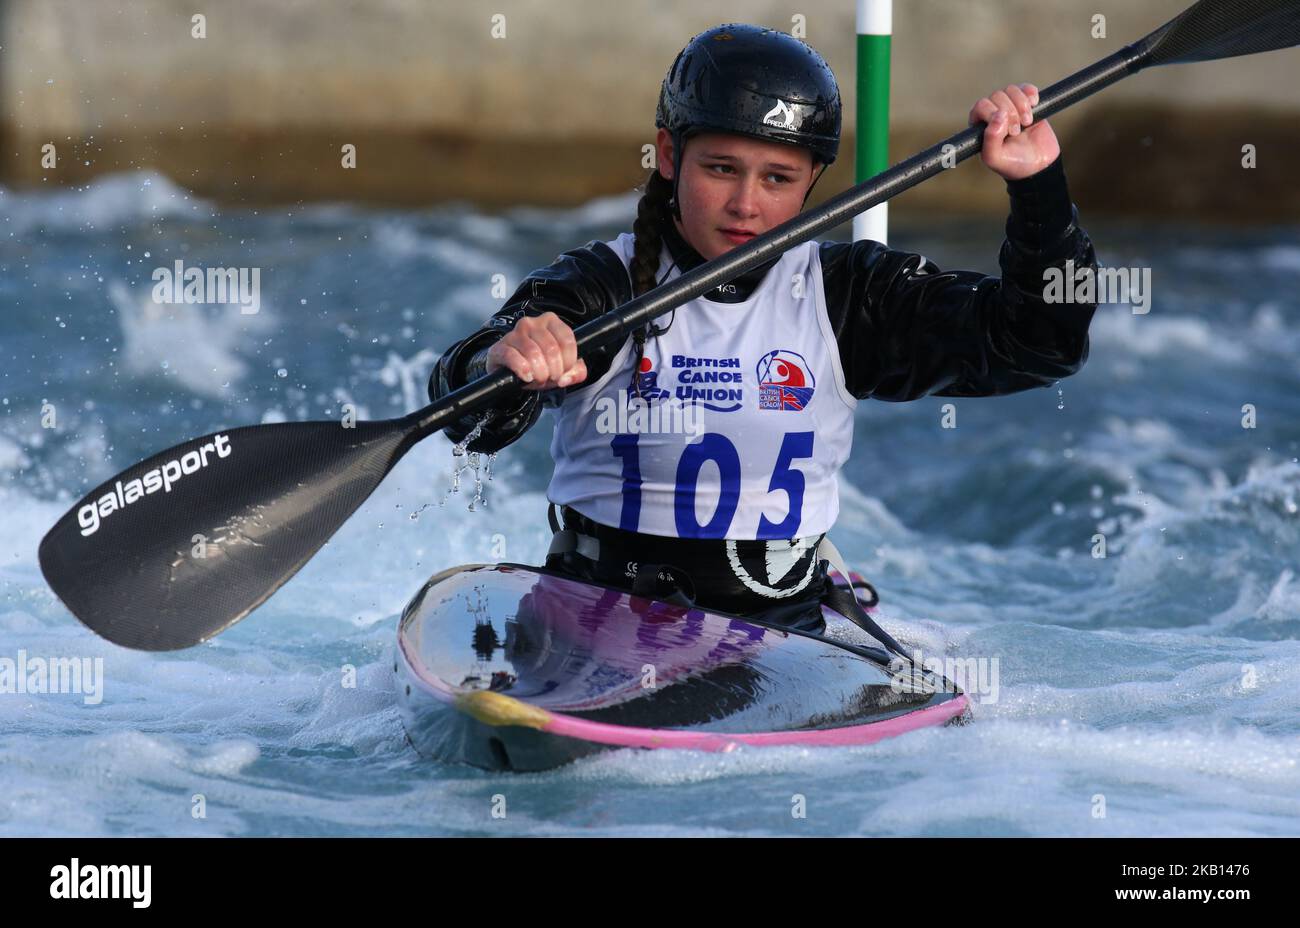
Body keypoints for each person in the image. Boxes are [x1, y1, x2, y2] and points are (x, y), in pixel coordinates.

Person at [429, 23, 1098, 635]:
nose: (747, 204)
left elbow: (1039, 344)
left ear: (812, 184)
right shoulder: (596, 286)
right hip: (593, 621)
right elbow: (468, 417)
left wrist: (1038, 189)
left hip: (782, 634)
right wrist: (502, 367)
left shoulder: (848, 296)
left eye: (778, 178)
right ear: (669, 155)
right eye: (721, 169)